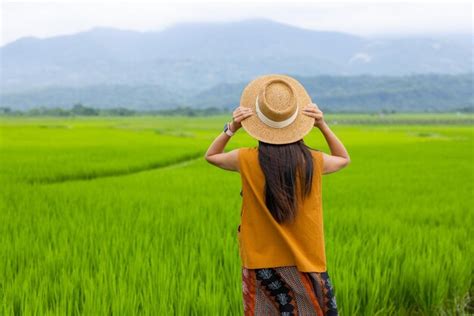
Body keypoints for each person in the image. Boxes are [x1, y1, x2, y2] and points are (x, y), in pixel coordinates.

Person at [205, 74, 350, 315]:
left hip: (261, 262)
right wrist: (322, 124)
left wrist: (232, 127)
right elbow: (344, 159)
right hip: (307, 260)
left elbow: (211, 156)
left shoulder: (246, 158)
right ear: (296, 124)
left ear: (259, 124)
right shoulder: (312, 161)